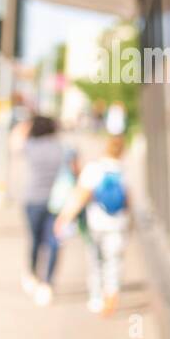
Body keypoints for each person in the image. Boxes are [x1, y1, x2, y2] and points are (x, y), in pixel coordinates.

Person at [54, 134, 131, 316]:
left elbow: (80, 196)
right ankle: (111, 293)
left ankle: (96, 298)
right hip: (118, 224)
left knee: (95, 261)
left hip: (96, 223)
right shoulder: (124, 172)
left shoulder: (94, 169)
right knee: (113, 261)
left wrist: (64, 218)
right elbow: (129, 201)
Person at [16, 115, 67, 306]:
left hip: (33, 200)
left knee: (35, 240)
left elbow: (13, 142)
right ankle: (48, 284)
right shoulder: (62, 149)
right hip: (57, 203)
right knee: (54, 242)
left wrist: (25, 125)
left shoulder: (32, 146)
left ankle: (32, 275)